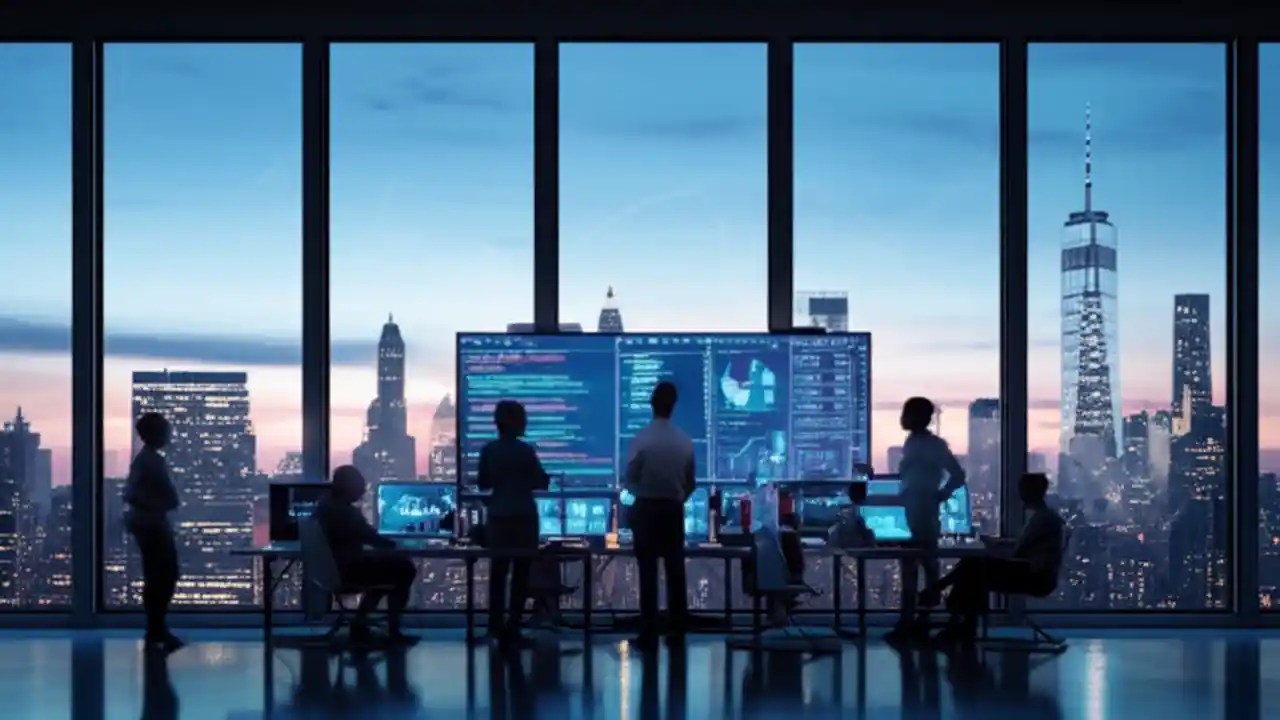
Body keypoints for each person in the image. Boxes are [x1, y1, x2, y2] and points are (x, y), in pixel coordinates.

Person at [929, 473, 1065, 644]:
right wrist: (998, 544)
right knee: (972, 569)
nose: (1019, 494)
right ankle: (960, 623)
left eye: (1022, 490)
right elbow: (1025, 546)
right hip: (1033, 572)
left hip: (1034, 577)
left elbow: (1018, 552)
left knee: (972, 566)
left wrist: (995, 547)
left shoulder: (1042, 520)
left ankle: (951, 611)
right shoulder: (1045, 516)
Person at [624, 381, 696, 648]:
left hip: (646, 510)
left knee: (647, 573)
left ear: (651, 404)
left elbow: (630, 478)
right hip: (673, 510)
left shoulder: (642, 439)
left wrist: (642, 490)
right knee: (675, 571)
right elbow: (691, 483)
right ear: (673, 405)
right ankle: (677, 631)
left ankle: (649, 632)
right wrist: (677, 497)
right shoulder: (684, 441)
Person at [889, 396, 966, 642]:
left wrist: (940, 495)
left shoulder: (930, 445)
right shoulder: (917, 443)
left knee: (920, 568)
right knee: (918, 568)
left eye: (907, 412)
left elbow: (957, 474)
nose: (903, 417)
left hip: (922, 512)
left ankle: (916, 622)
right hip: (915, 510)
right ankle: (918, 621)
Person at [313, 465, 418, 646]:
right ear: (348, 486)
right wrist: (398, 545)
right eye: (360, 485)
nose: (363, 490)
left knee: (385, 574)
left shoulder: (326, 506)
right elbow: (371, 537)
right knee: (405, 568)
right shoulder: (344, 512)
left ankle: (360, 623)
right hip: (347, 571)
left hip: (335, 570)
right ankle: (391, 630)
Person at [477, 399, 551, 646]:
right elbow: (540, 481)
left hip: (498, 516)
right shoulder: (525, 451)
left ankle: (494, 627)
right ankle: (514, 629)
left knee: (498, 573)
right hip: (524, 517)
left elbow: (484, 484)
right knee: (520, 576)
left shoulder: (488, 450)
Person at [124, 412, 183, 653]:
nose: (170, 434)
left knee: (158, 576)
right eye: (167, 430)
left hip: (148, 524)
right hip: (152, 525)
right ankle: (156, 628)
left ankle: (156, 629)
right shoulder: (151, 461)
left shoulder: (145, 460)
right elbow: (135, 494)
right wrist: (160, 503)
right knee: (164, 576)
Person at [827, 481, 875, 549]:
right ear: (865, 496)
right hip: (858, 554)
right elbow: (871, 544)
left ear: (850, 496)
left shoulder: (841, 515)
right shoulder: (862, 516)